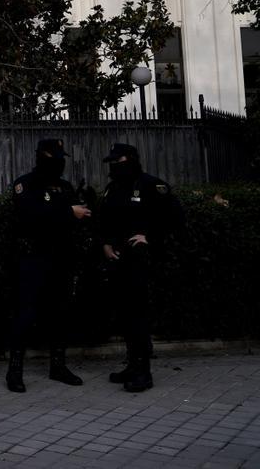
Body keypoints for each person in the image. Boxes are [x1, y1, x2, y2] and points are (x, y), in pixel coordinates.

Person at [5, 139, 91, 393]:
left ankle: (58, 366)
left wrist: (83, 210)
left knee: (59, 313)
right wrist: (67, 213)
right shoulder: (25, 184)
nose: (59, 162)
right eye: (54, 157)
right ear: (41, 155)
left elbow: (74, 217)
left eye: (61, 158)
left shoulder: (64, 186)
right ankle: (15, 371)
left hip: (60, 258)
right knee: (25, 314)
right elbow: (30, 216)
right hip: (32, 259)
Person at [98, 143, 182, 393]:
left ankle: (143, 371)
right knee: (125, 315)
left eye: (119, 160)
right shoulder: (113, 188)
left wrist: (150, 238)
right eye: (112, 162)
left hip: (140, 262)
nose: (115, 166)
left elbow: (175, 219)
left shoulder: (151, 185)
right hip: (118, 261)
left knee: (138, 316)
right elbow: (105, 220)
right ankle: (132, 365)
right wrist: (105, 244)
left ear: (132, 159)